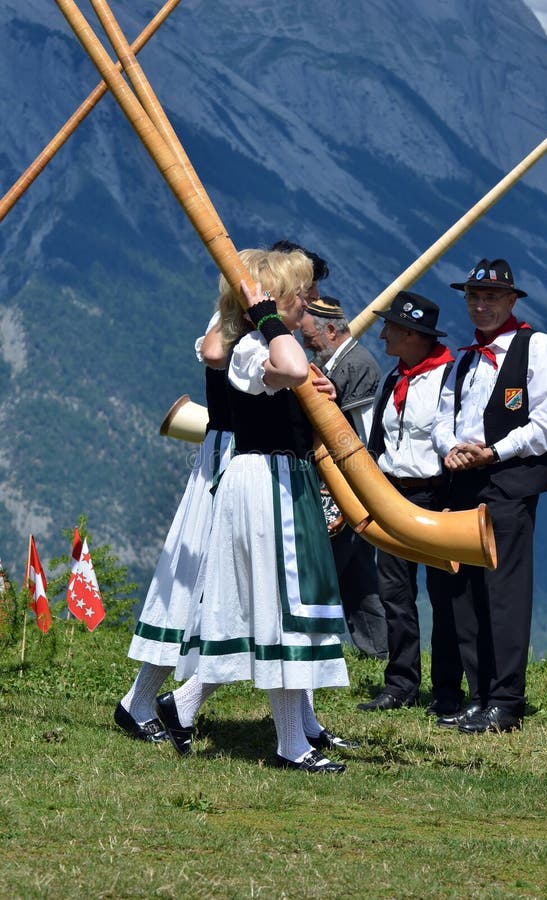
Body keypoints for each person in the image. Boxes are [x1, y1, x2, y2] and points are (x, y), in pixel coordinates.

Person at [157, 248, 354, 772]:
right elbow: (286, 366)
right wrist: (266, 317)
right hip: (261, 476)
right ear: (275, 301)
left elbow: (294, 382)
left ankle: (181, 706)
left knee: (263, 606)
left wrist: (321, 393)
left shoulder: (271, 343)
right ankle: (291, 745)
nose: (306, 306)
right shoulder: (251, 347)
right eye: (299, 297)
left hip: (279, 476)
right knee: (277, 605)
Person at [432, 258, 547, 733]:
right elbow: (442, 421)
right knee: (463, 588)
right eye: (473, 297)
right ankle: (478, 693)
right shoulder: (465, 357)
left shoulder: (536, 346)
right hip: (464, 480)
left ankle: (506, 699)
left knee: (503, 589)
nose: (481, 305)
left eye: (491, 298)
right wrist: (451, 451)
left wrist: (492, 452)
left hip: (508, 481)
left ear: (511, 301)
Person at [114, 317, 234, 742]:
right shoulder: (243, 323)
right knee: (198, 589)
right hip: (231, 463)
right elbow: (214, 352)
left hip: (244, 461)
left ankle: (304, 727)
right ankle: (144, 701)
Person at [356, 291, 463, 713]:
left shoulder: (448, 378)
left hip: (434, 493)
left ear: (412, 335)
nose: (382, 335)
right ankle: (401, 682)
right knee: (394, 592)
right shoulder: (395, 378)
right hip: (392, 492)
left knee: (444, 592)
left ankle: (447, 690)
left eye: (390, 328)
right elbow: (380, 441)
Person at [300, 295, 388, 659]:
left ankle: (311, 645)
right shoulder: (339, 362)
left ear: (331, 329)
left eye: (309, 336)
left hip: (346, 482)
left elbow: (355, 433)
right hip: (347, 482)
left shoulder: (356, 366)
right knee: (358, 575)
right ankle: (376, 649)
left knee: (324, 566)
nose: (306, 343)